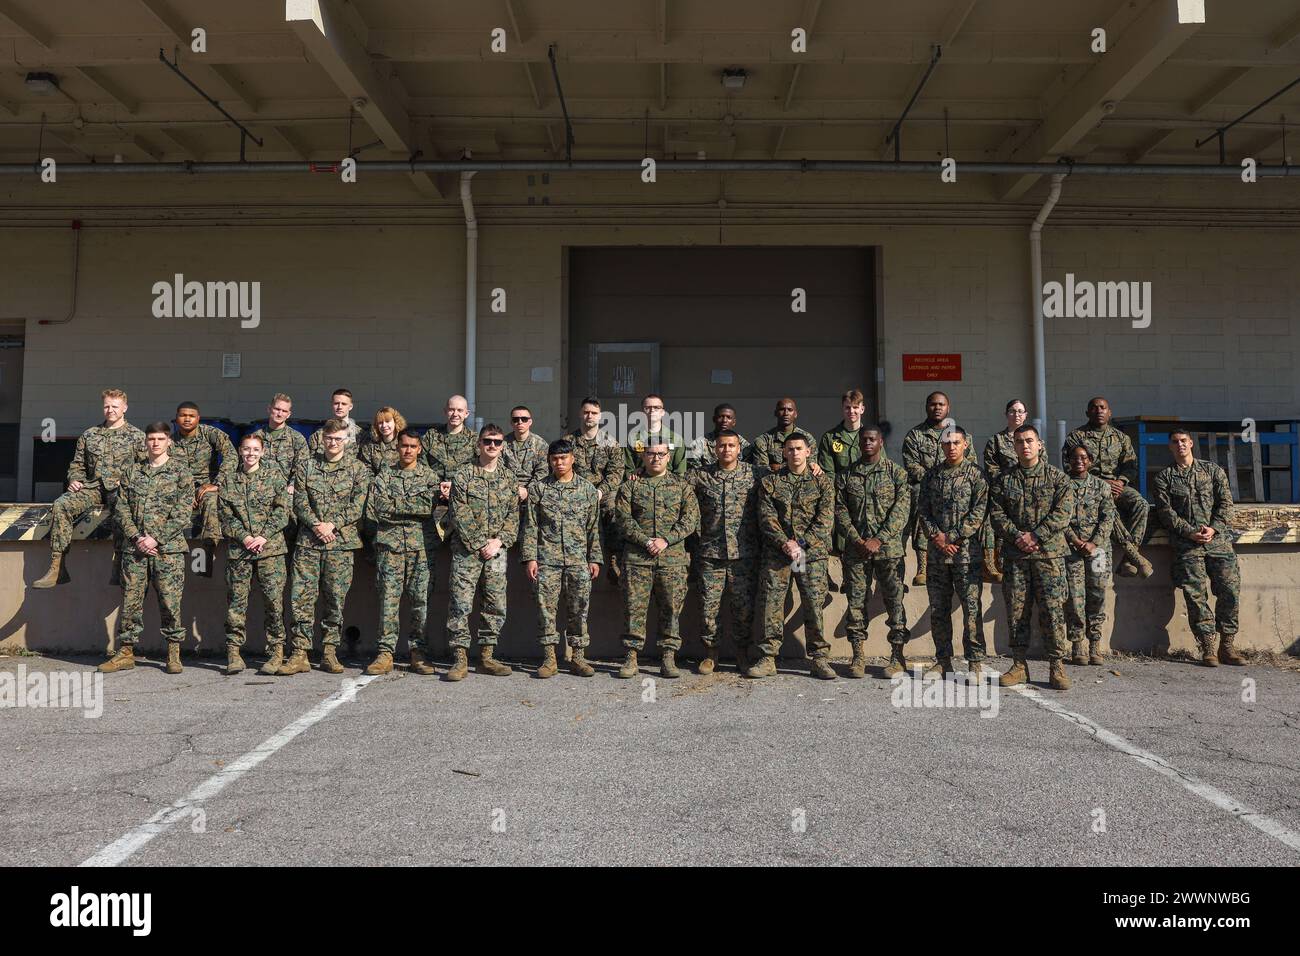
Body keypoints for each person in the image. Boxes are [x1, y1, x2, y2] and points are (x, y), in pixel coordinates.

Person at [97, 422, 193, 675]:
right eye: (151, 439)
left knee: (170, 603)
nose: (155, 443)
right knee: (130, 602)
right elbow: (121, 508)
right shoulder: (132, 472)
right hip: (135, 550)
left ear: (169, 441)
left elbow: (183, 512)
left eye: (160, 439)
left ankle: (173, 653)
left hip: (167, 551)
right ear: (146, 441)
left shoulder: (181, 472)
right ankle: (126, 652)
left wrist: (156, 538)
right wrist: (138, 537)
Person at [989, 424, 1075, 690]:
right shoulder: (1004, 481)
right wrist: (1018, 536)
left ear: (1040, 445)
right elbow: (996, 514)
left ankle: (1056, 666)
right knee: (1017, 612)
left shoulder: (1058, 478)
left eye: (1029, 441)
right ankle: (1018, 665)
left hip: (1049, 557)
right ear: (1013, 447)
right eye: (1019, 442)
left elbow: (1063, 513)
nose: (1024, 445)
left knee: (1052, 611)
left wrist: (1036, 535)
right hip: (1016, 557)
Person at [34, 388, 146, 589]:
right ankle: (57, 566)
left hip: (120, 489)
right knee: (62, 505)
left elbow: (145, 467)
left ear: (125, 408)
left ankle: (120, 564)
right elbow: (78, 464)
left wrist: (130, 482)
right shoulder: (90, 434)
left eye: (115, 406)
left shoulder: (137, 437)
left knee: (123, 508)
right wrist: (75, 479)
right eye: (106, 406)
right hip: (93, 487)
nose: (110, 410)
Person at [284, 418, 371, 675]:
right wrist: (316, 525)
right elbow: (299, 502)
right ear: (323, 440)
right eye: (329, 438)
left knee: (335, 600)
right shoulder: (306, 466)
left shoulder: (357, 469)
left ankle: (330, 652)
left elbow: (358, 505)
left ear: (346, 440)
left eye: (338, 439)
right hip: (309, 542)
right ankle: (300, 652)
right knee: (301, 599)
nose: (333, 443)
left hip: (340, 545)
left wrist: (333, 525)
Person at [1153, 428, 1244, 667]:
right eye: (1175, 442)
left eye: (1184, 441)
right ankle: (1207, 647)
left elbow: (1225, 503)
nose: (1180, 445)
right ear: (1170, 447)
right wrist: (1189, 532)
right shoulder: (1164, 478)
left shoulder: (1212, 471)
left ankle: (1227, 645)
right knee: (1196, 596)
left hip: (1218, 543)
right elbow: (1166, 513)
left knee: (1229, 591)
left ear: (1191, 443)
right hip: (1188, 546)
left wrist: (1213, 528)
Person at [752, 434, 835, 680]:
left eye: (799, 448)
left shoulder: (823, 482)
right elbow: (766, 518)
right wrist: (785, 543)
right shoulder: (770, 483)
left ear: (809, 452)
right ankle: (767, 657)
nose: (795, 453)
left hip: (810, 553)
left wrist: (800, 544)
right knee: (772, 604)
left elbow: (825, 520)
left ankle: (819, 658)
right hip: (778, 553)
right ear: (783, 453)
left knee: (813, 602)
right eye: (790, 449)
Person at [613, 441, 699, 678]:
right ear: (643, 456)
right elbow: (622, 518)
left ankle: (668, 658)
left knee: (671, 609)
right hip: (637, 559)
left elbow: (690, 520)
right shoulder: (629, 487)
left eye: (661, 454)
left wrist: (665, 540)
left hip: (672, 560)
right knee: (634, 608)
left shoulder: (682, 486)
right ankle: (631, 657)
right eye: (651, 454)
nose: (656, 458)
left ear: (669, 457)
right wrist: (645, 541)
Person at [834, 424, 910, 678]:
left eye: (872, 439)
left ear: (880, 443)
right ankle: (858, 657)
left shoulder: (896, 474)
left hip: (889, 551)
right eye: (863, 439)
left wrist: (879, 539)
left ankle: (897, 657)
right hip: (856, 552)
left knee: (894, 603)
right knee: (856, 604)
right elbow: (840, 511)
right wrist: (856, 539)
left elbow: (901, 511)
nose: (867, 443)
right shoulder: (846, 476)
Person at [522, 438, 602, 678]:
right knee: (545, 609)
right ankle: (550, 659)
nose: (559, 462)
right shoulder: (538, 489)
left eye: (563, 458)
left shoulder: (587, 489)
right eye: (555, 458)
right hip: (547, 559)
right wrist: (530, 558)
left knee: (579, 609)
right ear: (549, 460)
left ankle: (578, 657)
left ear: (572, 459)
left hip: (578, 560)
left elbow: (593, 528)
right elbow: (530, 527)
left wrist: (594, 558)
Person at [445, 424, 519, 680]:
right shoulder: (464, 475)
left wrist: (498, 542)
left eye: (497, 442)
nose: (492, 446)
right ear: (479, 444)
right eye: (487, 441)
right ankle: (460, 658)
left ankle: (487, 656)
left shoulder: (509, 478)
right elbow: (458, 511)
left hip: (497, 552)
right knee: (460, 603)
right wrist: (480, 543)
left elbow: (513, 515)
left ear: (502, 446)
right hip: (467, 551)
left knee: (495, 603)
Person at [687, 429, 761, 674]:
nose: (726, 450)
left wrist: (814, 467)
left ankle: (742, 653)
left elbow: (787, 476)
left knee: (743, 608)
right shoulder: (700, 476)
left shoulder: (754, 474)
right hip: (710, 553)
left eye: (731, 445)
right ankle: (711, 654)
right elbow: (669, 483)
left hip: (744, 553)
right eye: (722, 446)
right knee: (709, 607)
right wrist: (637, 474)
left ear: (739, 448)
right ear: (714, 449)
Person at [365, 428, 438, 676]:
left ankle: (418, 652)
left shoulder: (429, 477)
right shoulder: (385, 474)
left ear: (419, 449)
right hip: (391, 547)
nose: (407, 450)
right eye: (404, 445)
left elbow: (428, 507)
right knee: (388, 601)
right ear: (397, 447)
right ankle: (385, 653)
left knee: (420, 602)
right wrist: (410, 508)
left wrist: (397, 508)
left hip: (421, 548)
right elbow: (378, 507)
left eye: (412, 446)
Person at [918, 426, 988, 679]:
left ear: (965, 444)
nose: (951, 447)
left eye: (956, 443)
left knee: (971, 609)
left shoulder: (976, 475)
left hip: (966, 554)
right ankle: (943, 660)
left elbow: (980, 509)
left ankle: (975, 663)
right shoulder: (932, 476)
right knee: (939, 609)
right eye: (947, 443)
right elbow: (923, 509)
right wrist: (937, 536)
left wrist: (954, 535)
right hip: (937, 554)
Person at [219, 433, 291, 676]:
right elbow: (225, 516)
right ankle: (234, 652)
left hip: (270, 551)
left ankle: (276, 652)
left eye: (255, 449)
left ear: (263, 452)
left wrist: (263, 536)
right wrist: (246, 537)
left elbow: (282, 512)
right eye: (247, 449)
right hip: (240, 552)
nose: (251, 453)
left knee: (273, 603)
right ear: (240, 451)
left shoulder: (274, 478)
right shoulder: (230, 480)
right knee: (236, 604)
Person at [1063, 397, 1153, 578]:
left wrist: (1121, 482)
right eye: (1094, 408)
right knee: (1110, 510)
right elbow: (1069, 465)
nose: (1099, 411)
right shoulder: (1076, 436)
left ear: (1109, 412)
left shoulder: (1121, 438)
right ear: (1087, 413)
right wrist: (1102, 483)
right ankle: (1134, 557)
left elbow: (1131, 466)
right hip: (1088, 486)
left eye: (1103, 407)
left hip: (1118, 486)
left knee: (1140, 503)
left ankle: (1129, 557)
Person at [901, 391, 975, 586]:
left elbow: (971, 463)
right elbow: (912, 466)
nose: (937, 408)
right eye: (933, 404)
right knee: (919, 496)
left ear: (948, 407)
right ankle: (922, 566)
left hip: (958, 485)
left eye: (941, 404)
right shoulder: (915, 436)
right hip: (929, 486)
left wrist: (952, 482)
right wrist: (936, 481)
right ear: (927, 407)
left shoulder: (960, 434)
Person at [1063, 445, 1116, 666]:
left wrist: (1093, 543)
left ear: (1091, 461)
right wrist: (1076, 541)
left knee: (1097, 594)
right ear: (1069, 461)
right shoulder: (1061, 484)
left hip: (1099, 551)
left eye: (1083, 458)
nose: (1079, 461)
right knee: (1074, 598)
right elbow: (1059, 517)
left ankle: (1094, 643)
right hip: (1071, 550)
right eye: (1075, 458)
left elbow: (1108, 517)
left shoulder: (1102, 487)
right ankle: (1077, 645)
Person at [171, 401, 236, 577]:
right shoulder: (169, 441)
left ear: (198, 419)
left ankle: (206, 554)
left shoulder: (210, 433)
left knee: (211, 502)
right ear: (176, 418)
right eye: (183, 415)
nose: (187, 419)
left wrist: (218, 483)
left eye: (191, 416)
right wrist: (183, 493)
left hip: (207, 487)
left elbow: (231, 456)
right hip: (180, 488)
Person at [567, 397, 625, 578]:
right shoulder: (569, 442)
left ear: (600, 416)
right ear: (580, 414)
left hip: (603, 491)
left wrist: (600, 491)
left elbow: (616, 474)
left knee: (613, 509)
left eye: (593, 413)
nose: (589, 416)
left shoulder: (611, 443)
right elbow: (562, 469)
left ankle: (614, 558)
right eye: (586, 412)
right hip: (575, 490)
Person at [980, 399, 1028, 584]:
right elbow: (992, 468)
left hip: (1028, 492)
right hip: (1003, 491)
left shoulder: (1034, 439)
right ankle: (992, 563)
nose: (1016, 414)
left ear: (1025, 415)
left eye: (1020, 411)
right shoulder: (996, 441)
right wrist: (1010, 485)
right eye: (1012, 411)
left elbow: (1041, 465)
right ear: (1006, 414)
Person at [249, 394, 309, 497]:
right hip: (258, 492)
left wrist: (293, 485)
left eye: (284, 411)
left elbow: (303, 466)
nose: (280, 414)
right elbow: (245, 465)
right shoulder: (255, 437)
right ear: (269, 409)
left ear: (289, 414)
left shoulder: (297, 438)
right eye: (277, 409)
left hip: (285, 493)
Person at [624, 394, 688, 476]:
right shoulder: (632, 439)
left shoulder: (676, 439)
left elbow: (680, 471)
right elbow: (627, 469)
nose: (652, 410)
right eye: (647, 408)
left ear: (663, 412)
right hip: (640, 485)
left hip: (669, 486)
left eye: (656, 407)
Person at [751, 397, 819, 472]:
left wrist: (779, 467)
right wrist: (795, 465)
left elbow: (810, 467)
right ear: (776, 413)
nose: (786, 413)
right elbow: (762, 470)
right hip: (772, 482)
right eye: (782, 409)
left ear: (795, 414)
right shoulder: (763, 440)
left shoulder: (807, 439)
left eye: (790, 410)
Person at [502, 405, 549, 502]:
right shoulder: (502, 443)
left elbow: (542, 472)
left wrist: (527, 490)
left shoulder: (540, 444)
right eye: (516, 419)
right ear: (511, 423)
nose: (520, 422)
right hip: (508, 491)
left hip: (534, 493)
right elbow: (498, 468)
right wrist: (514, 488)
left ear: (530, 422)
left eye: (524, 419)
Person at [688, 403, 751, 469]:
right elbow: (695, 472)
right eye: (720, 417)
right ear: (714, 419)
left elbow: (748, 470)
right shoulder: (698, 444)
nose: (724, 420)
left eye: (728, 417)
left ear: (734, 422)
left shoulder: (743, 445)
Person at [308, 388, 362, 457]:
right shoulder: (318, 435)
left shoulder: (359, 435)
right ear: (332, 405)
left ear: (350, 406)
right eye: (336, 403)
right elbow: (311, 461)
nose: (339, 407)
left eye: (344, 404)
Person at [359, 406, 406, 474]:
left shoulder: (404, 443)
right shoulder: (370, 446)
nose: (384, 425)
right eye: (380, 423)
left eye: (387, 421)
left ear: (395, 422)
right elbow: (366, 470)